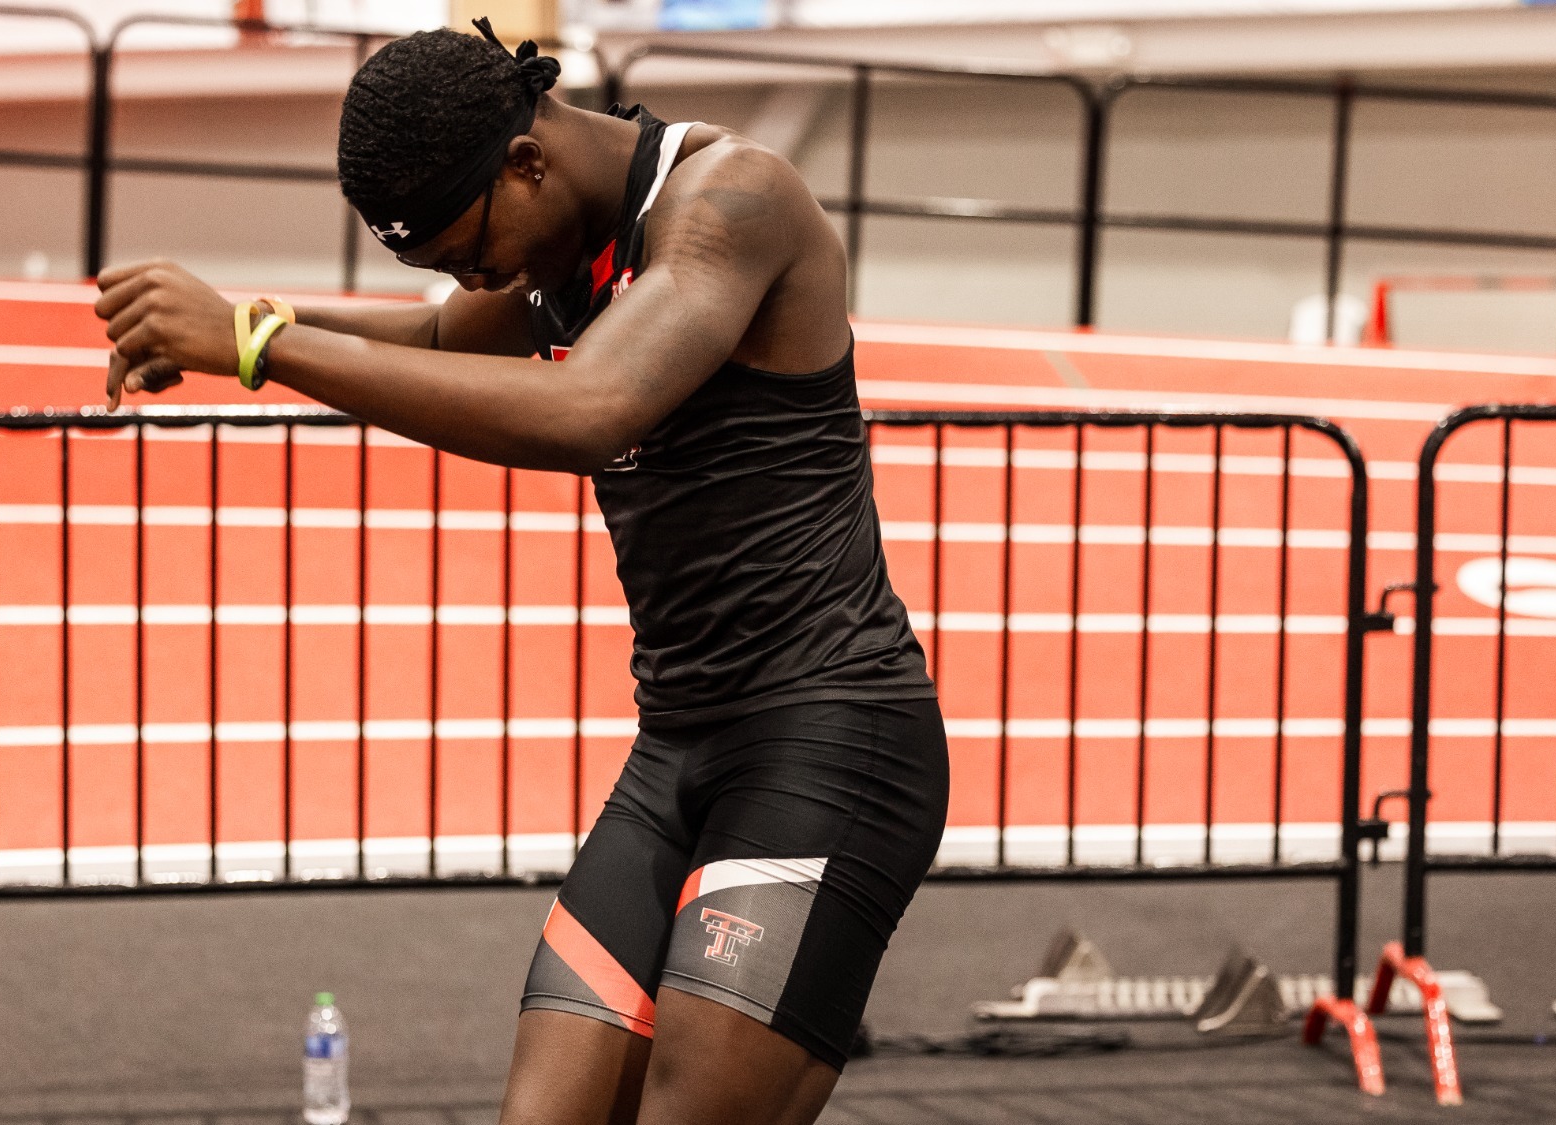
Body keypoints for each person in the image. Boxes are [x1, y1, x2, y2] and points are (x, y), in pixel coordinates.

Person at [94, 21, 947, 1125]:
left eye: (472, 255)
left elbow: (591, 410)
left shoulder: (730, 200)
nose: (472, 282)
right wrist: (246, 324)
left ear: (527, 161)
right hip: (677, 745)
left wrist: (259, 348)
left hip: (829, 745)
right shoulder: (558, 246)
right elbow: (442, 345)